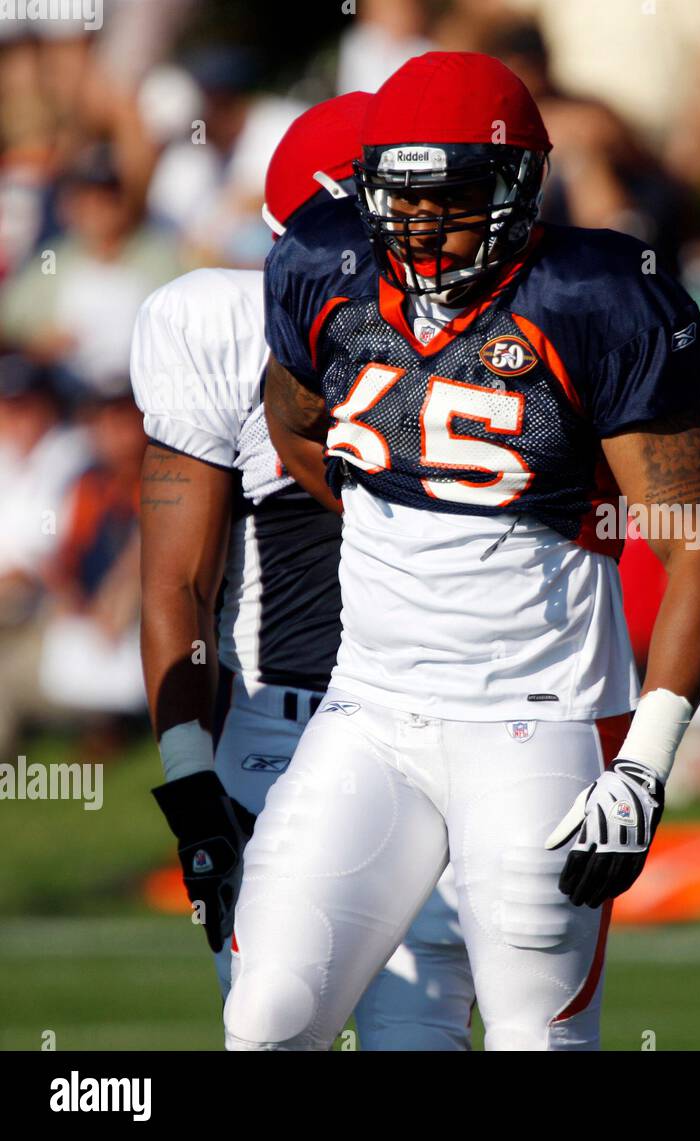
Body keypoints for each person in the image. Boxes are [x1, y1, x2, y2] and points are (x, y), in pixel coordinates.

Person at [224, 52, 700, 1051]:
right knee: (266, 1015)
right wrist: (401, 528)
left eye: (450, 200)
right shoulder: (322, 265)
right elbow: (292, 424)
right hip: (368, 709)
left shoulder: (594, 297)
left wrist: (643, 767)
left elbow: (698, 546)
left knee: (531, 1036)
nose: (419, 229)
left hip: (530, 718)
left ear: (516, 191)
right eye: (400, 200)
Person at [132, 92, 474, 1050]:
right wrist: (191, 778)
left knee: (423, 1034)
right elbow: (177, 581)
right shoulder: (223, 328)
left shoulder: (501, 328)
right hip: (283, 738)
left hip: (449, 720)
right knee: (272, 1027)